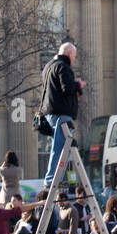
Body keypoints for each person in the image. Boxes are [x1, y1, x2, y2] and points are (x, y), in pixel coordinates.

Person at [39, 42, 85, 189]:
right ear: (69, 54)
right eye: (74, 56)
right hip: (61, 114)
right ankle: (52, 178)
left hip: (50, 112)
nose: (74, 59)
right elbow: (67, 88)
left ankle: (54, 177)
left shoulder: (49, 66)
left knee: (58, 146)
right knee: (59, 148)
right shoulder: (63, 67)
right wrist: (78, 85)